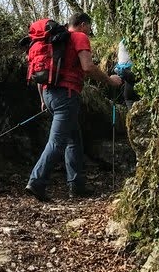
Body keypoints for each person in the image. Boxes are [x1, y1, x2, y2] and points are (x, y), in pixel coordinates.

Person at [25, 12, 123, 202]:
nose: (90, 31)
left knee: (74, 140)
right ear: (83, 24)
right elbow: (87, 67)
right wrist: (110, 81)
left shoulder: (53, 40)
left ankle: (76, 185)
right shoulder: (79, 37)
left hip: (49, 93)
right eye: (89, 27)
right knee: (57, 142)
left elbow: (42, 73)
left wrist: (43, 99)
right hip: (66, 95)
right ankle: (36, 181)